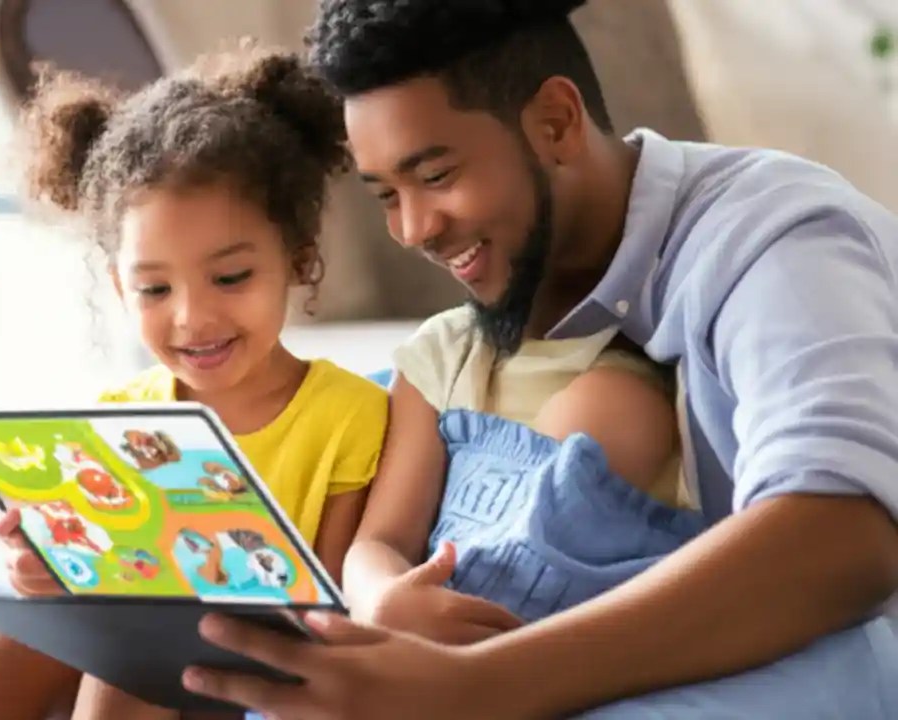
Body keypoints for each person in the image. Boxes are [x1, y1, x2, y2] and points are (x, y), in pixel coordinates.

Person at [177, 1, 898, 718]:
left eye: (437, 175)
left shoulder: (773, 244)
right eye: (387, 194)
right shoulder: (481, 329)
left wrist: (477, 685)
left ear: (555, 123)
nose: (414, 229)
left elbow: (845, 531)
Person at [0, 44, 389, 720]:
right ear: (120, 287)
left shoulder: (351, 414)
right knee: (24, 628)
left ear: (296, 259)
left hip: (251, 673)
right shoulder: (118, 417)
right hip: (135, 654)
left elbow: (330, 613)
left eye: (230, 277)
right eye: (154, 289)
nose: (192, 317)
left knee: (137, 643)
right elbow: (89, 570)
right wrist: (44, 569)